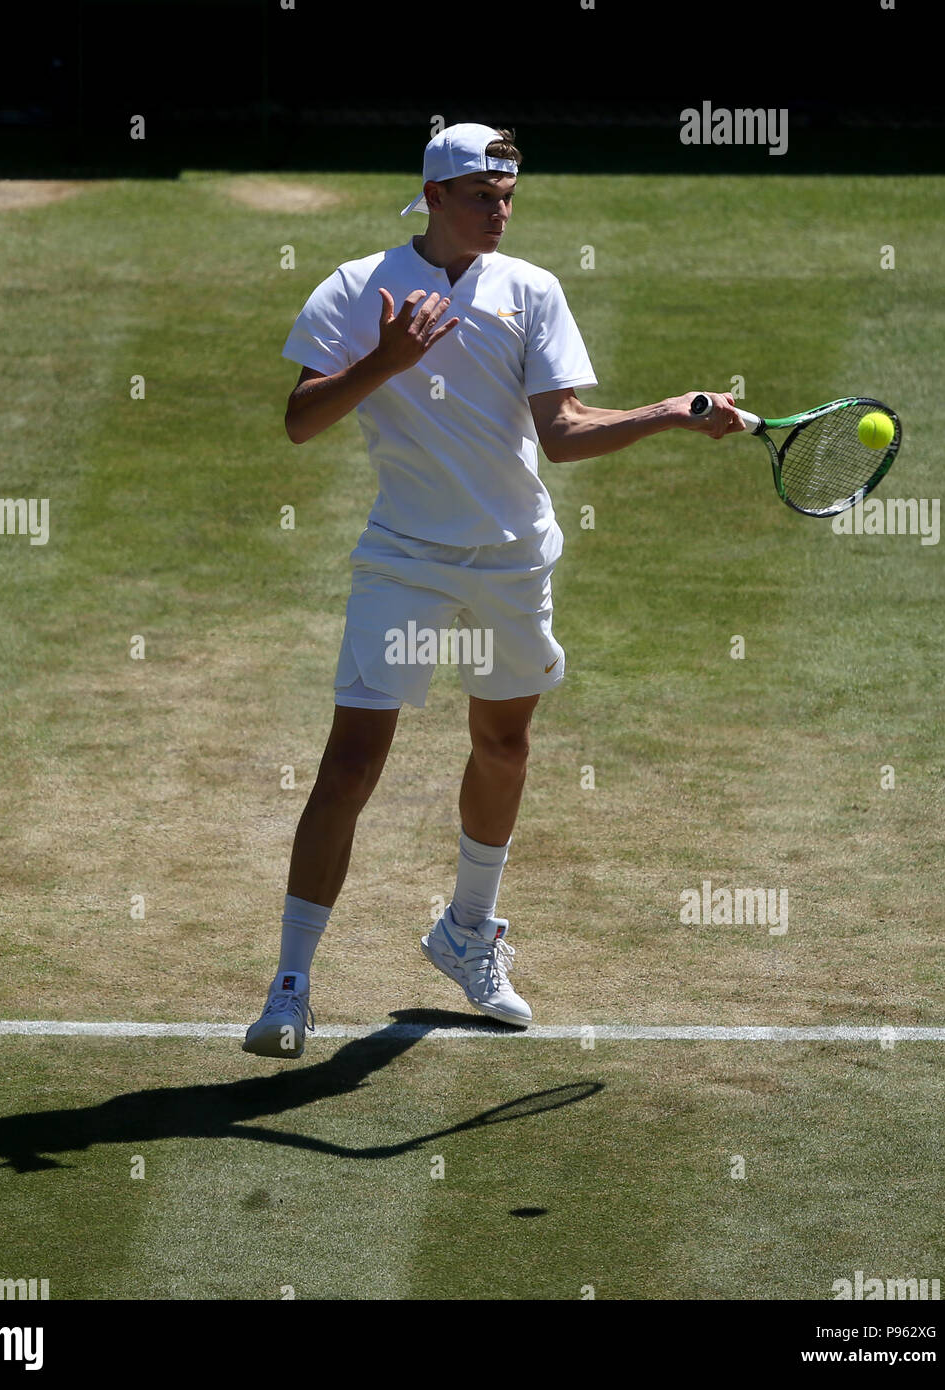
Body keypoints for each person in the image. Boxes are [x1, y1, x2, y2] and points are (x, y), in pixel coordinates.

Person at [243, 123, 742, 1058]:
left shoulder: (533, 291)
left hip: (513, 561)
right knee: (350, 766)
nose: (500, 213)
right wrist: (386, 362)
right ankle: (290, 985)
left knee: (504, 745)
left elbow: (563, 432)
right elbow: (300, 421)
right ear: (434, 196)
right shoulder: (355, 288)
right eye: (482, 196)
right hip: (405, 560)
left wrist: (669, 414)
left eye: (508, 197)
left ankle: (467, 932)